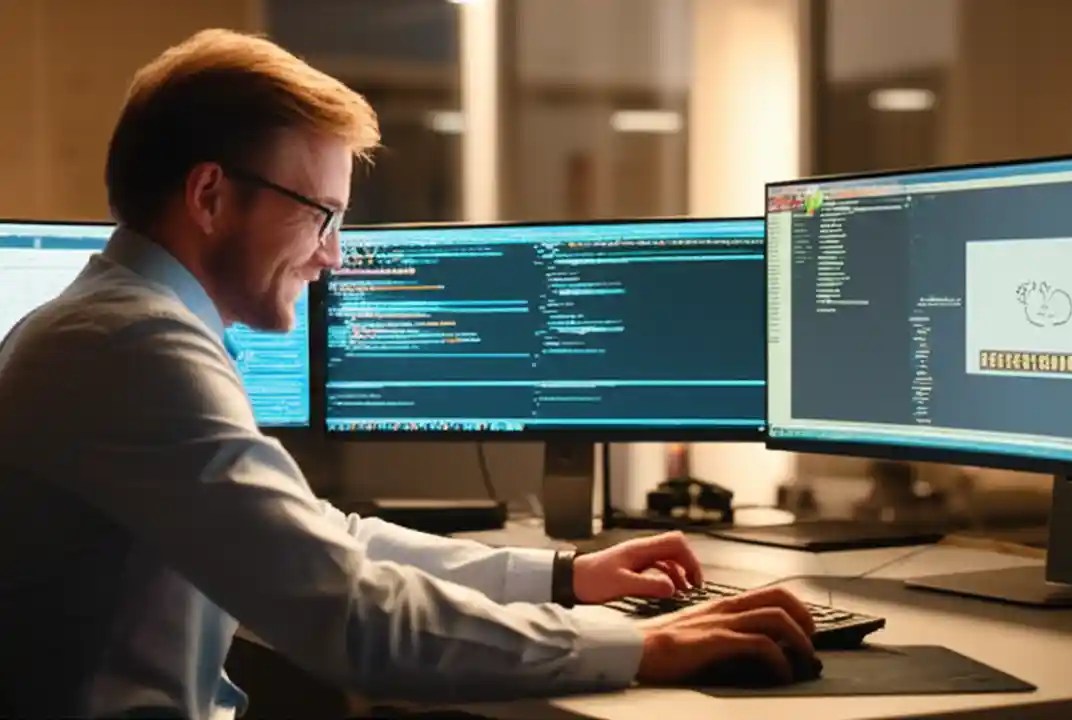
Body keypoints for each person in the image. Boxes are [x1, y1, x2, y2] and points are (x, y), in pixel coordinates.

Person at [0, 29, 815, 720]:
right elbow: (347, 612)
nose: (334, 254)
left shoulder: (117, 325)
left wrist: (563, 576)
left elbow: (321, 542)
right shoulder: (133, 348)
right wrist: (641, 644)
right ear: (210, 194)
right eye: (322, 213)